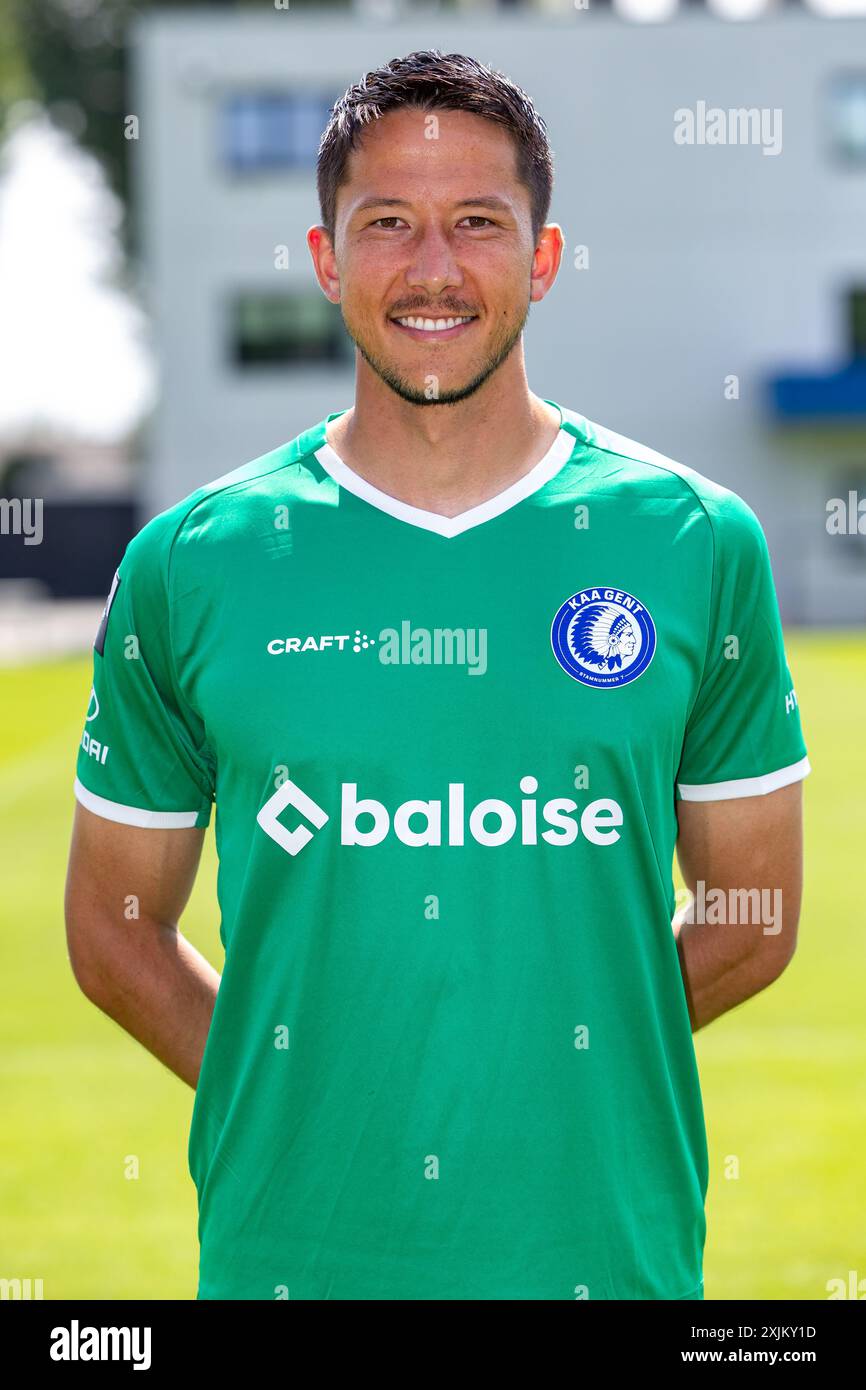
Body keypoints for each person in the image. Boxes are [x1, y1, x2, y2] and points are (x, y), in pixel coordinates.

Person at [65, 50, 809, 1301]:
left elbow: (751, 913)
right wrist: (302, 1085)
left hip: (598, 1263)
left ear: (542, 258)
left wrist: (562, 1066)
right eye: (386, 225)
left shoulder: (692, 542)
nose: (431, 268)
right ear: (323, 260)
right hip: (289, 1262)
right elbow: (113, 929)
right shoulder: (193, 562)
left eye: (476, 223)